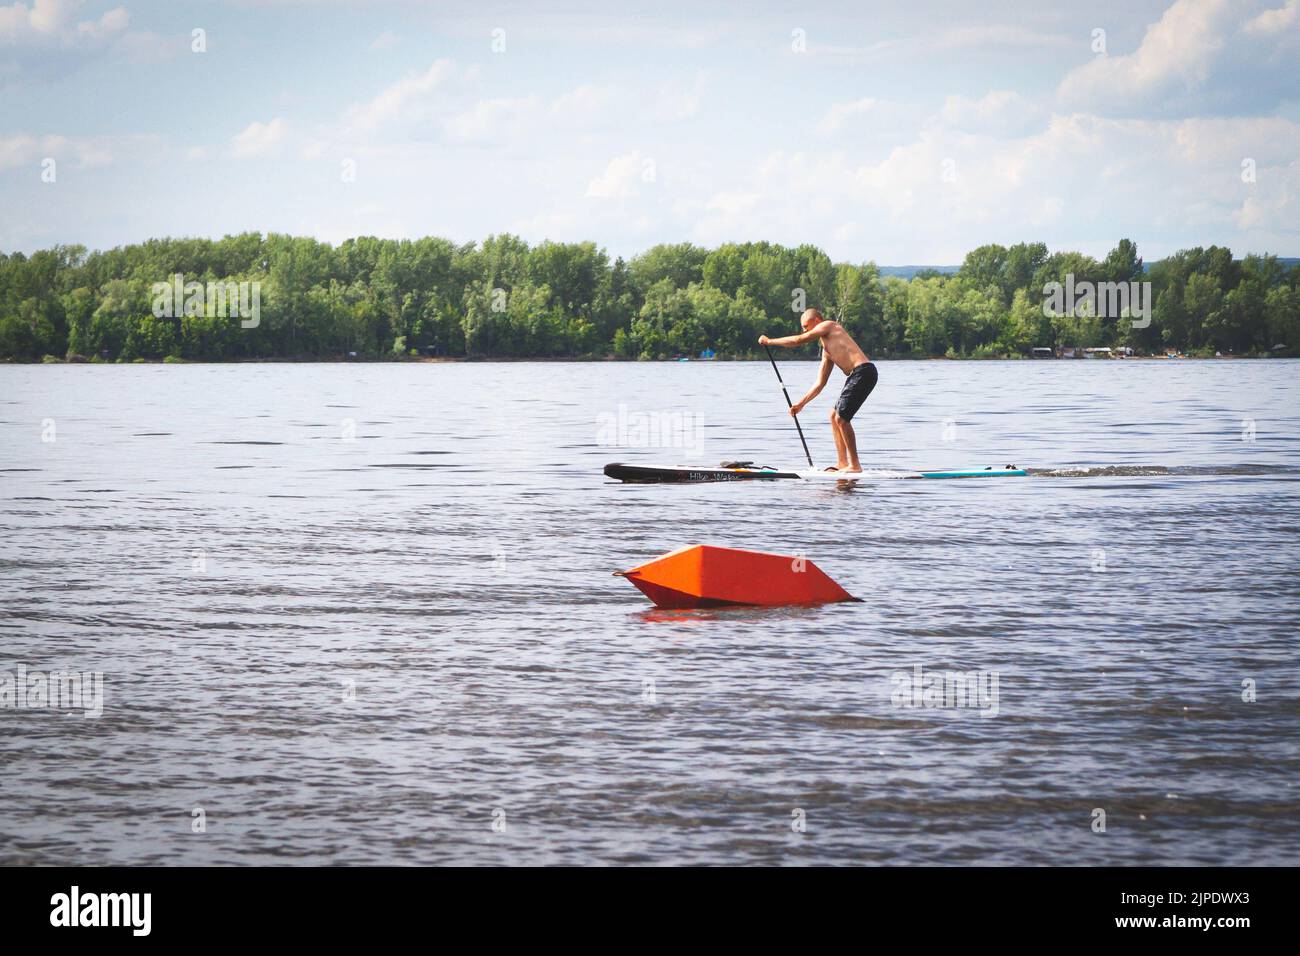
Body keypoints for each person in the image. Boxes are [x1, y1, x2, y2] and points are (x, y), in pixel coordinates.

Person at [759, 309, 877, 473]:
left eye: (806, 326)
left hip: (864, 372)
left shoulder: (829, 325)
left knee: (842, 418)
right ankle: (842, 463)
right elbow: (820, 383)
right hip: (856, 376)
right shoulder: (827, 351)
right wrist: (801, 404)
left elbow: (798, 340)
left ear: (816, 320)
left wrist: (770, 341)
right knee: (833, 416)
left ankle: (855, 466)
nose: (805, 330)